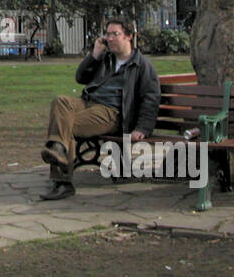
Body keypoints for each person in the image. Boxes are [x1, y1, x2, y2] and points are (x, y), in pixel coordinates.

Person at [38, 16, 161, 201]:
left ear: (128, 36)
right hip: (88, 103)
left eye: (115, 34)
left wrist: (143, 128)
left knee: (65, 127)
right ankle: (57, 148)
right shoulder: (106, 59)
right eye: (108, 34)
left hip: (111, 112)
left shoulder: (142, 65)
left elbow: (151, 98)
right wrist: (94, 55)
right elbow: (80, 78)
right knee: (60, 102)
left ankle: (62, 182)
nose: (110, 38)